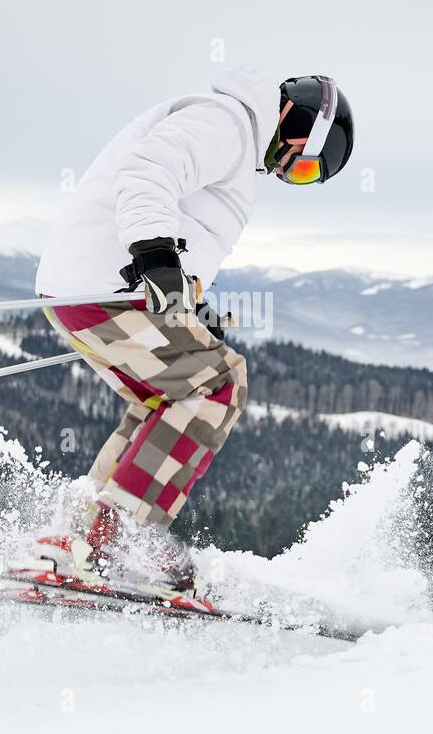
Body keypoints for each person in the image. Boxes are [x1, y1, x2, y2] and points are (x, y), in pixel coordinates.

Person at [35, 68, 354, 594]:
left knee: (166, 399)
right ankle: (115, 538)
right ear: (298, 127)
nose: (287, 175)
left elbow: (189, 229)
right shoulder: (226, 123)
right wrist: (155, 256)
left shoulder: (232, 138)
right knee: (219, 384)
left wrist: (189, 301)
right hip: (108, 283)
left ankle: (80, 535)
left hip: (89, 285)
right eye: (302, 168)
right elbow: (148, 171)